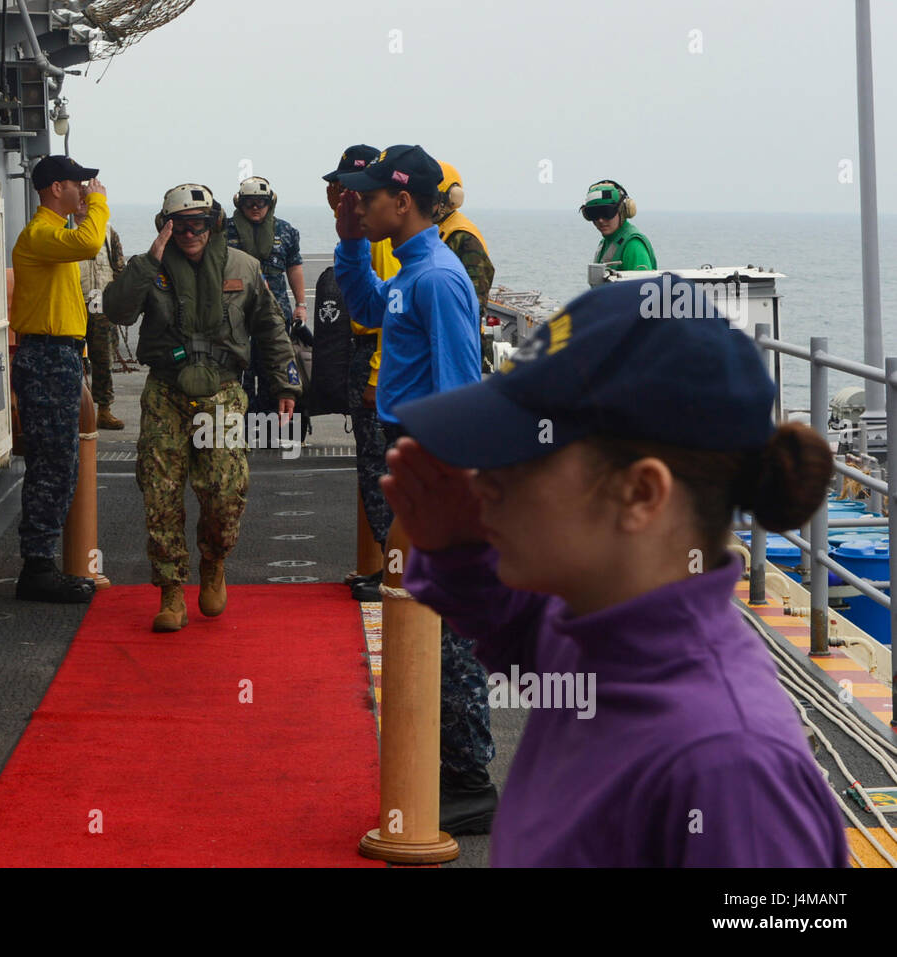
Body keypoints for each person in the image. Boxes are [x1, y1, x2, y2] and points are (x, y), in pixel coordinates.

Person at [389, 277, 848, 866]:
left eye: (522, 452)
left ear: (640, 493)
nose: (484, 477)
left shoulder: (732, 773)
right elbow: (516, 625)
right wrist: (456, 547)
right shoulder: (599, 622)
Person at [333, 144, 496, 835]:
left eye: (368, 197)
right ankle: (447, 765)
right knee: (425, 618)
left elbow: (460, 386)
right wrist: (346, 245)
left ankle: (468, 782)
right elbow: (367, 305)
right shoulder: (409, 268)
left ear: (404, 203)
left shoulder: (438, 278)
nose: (359, 203)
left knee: (450, 630)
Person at [103, 184, 301, 632]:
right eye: (180, 225)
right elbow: (117, 311)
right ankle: (171, 588)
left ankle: (213, 561)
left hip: (223, 392)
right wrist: (149, 260)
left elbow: (270, 327)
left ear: (214, 225)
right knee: (161, 494)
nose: (190, 234)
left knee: (225, 492)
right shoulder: (150, 270)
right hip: (167, 393)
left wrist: (287, 383)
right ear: (166, 226)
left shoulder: (244, 268)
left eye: (199, 224)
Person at [9, 154, 108, 602]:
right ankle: (37, 566)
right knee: (51, 464)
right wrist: (100, 205)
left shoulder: (56, 236)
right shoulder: (41, 235)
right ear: (55, 188)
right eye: (77, 184)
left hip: (61, 356)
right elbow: (90, 244)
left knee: (61, 463)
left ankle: (43, 561)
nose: (84, 190)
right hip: (46, 358)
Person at [315, 144, 401, 601]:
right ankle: (388, 567)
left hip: (375, 353)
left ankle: (396, 572)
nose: (339, 192)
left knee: (379, 471)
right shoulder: (368, 232)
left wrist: (375, 377)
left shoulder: (381, 238)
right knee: (373, 469)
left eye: (346, 185)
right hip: (364, 349)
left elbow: (389, 313)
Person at [225, 176, 305, 417]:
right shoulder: (222, 231)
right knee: (240, 373)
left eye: (261, 202)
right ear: (240, 203)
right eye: (250, 202)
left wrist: (300, 305)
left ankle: (272, 429)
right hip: (236, 314)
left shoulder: (286, 231)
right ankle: (241, 425)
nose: (256, 207)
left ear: (271, 203)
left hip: (276, 315)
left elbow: (294, 267)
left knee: (275, 369)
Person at [433, 161, 496, 372]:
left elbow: (474, 303)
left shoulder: (463, 236)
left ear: (448, 199)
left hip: (460, 345)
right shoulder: (439, 231)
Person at [76, 193, 128, 430]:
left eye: (86, 200)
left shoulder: (107, 231)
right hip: (73, 302)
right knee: (71, 358)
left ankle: (104, 409)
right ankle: (75, 409)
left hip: (101, 301)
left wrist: (117, 301)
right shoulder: (65, 229)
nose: (82, 205)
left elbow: (119, 266)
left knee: (103, 358)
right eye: (80, 200)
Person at [583, 179, 656, 272]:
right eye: (594, 214)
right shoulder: (605, 243)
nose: (600, 220)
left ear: (622, 210)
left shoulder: (633, 245)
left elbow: (642, 284)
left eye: (607, 212)